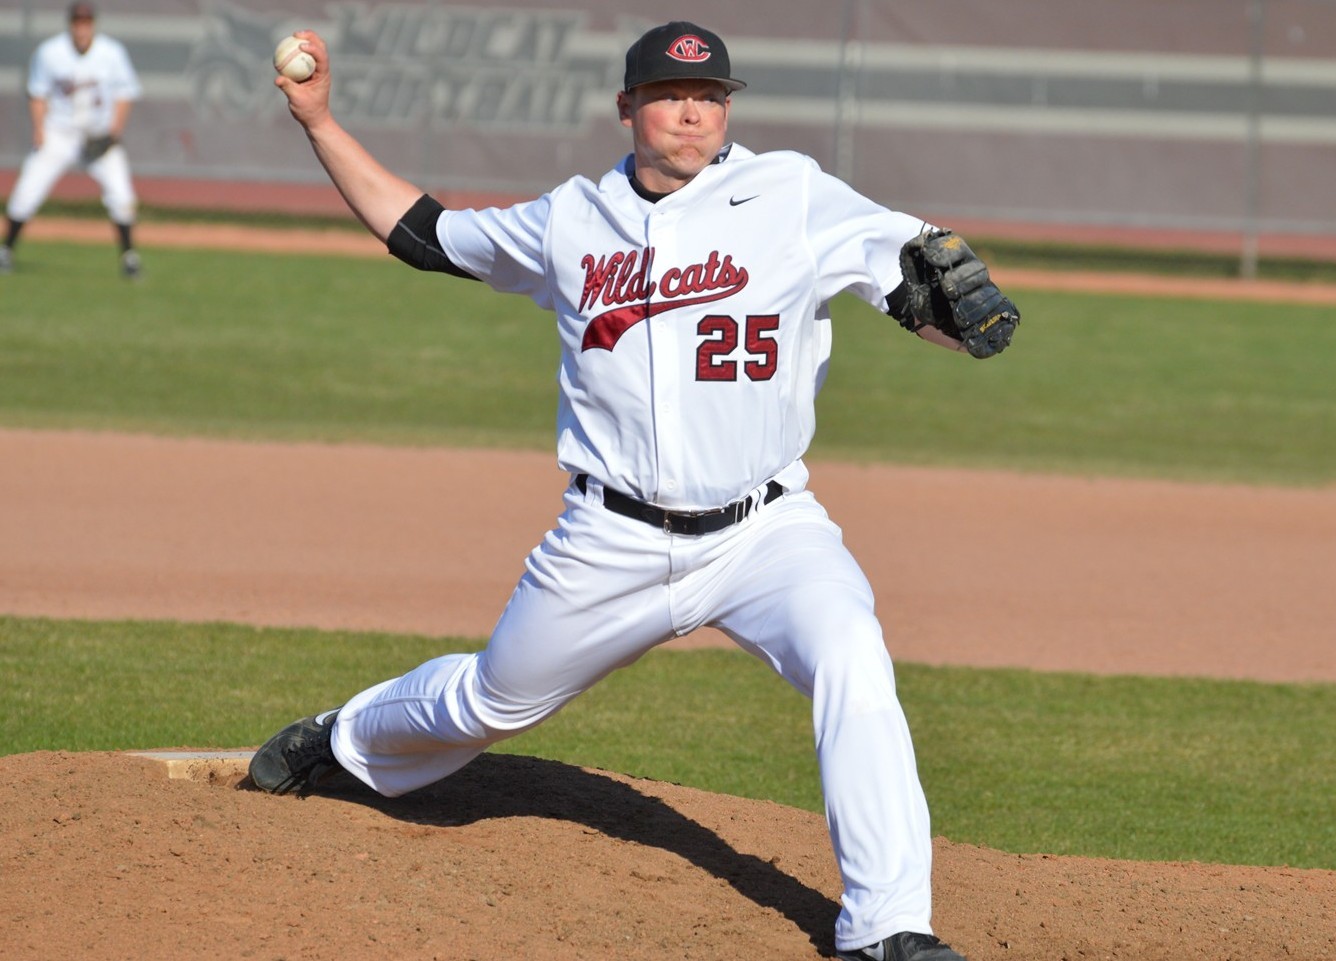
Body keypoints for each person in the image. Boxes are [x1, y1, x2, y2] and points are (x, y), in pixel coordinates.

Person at [249, 21, 1020, 961]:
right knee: (492, 702)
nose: (692, 111)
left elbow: (910, 272)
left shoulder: (793, 194)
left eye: (710, 96)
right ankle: (346, 738)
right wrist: (320, 121)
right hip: (607, 538)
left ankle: (889, 927)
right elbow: (424, 235)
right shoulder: (569, 219)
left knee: (853, 656)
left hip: (765, 531)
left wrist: (949, 307)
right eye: (668, 93)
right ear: (628, 108)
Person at [0, 2, 142, 279]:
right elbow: (38, 93)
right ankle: (6, 250)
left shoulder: (111, 53)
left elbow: (125, 93)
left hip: (98, 133)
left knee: (122, 195)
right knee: (28, 190)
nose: (82, 27)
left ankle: (129, 257)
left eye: (87, 22)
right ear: (70, 24)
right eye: (78, 22)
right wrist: (39, 129)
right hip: (60, 132)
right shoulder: (51, 52)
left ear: (94, 24)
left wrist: (113, 132)